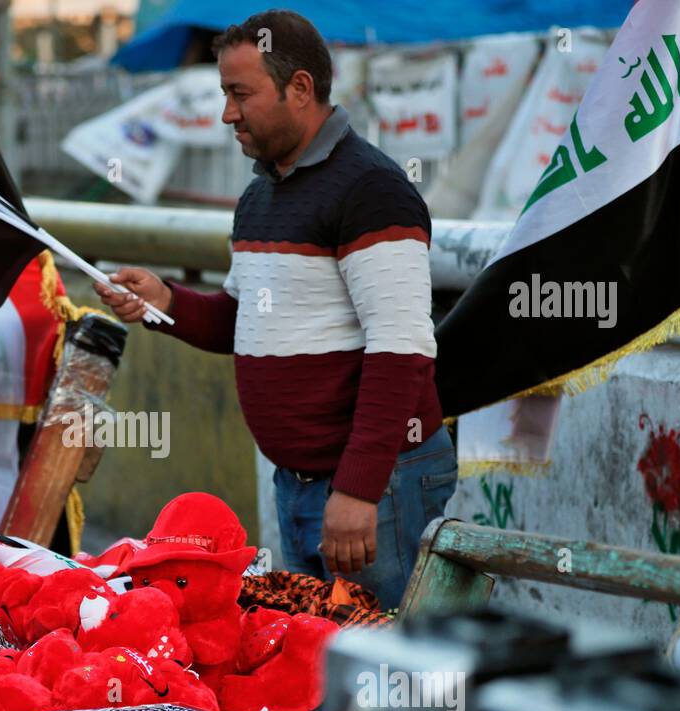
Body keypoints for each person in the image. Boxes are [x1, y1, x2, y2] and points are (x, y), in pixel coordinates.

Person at [92, 10, 454, 609]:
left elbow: (401, 349)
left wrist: (358, 490)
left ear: (301, 89)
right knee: (318, 661)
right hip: (304, 486)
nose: (227, 113)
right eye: (224, 94)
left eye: (240, 94)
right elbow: (244, 321)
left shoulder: (372, 189)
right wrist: (166, 302)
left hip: (380, 484)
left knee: (384, 668)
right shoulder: (260, 195)